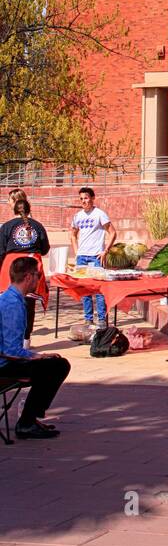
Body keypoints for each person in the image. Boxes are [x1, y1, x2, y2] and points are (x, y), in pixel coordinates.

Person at [0, 257, 71, 440]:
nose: (39, 279)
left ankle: (30, 418)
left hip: (7, 360)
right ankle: (27, 421)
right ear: (29, 277)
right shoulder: (13, 304)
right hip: (4, 365)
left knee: (54, 364)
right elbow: (11, 351)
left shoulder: (11, 298)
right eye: (38, 275)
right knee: (57, 366)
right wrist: (37, 356)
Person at [0, 192, 51, 339]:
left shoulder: (7, 227)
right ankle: (25, 341)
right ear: (29, 209)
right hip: (32, 268)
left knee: (9, 304)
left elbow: (1, 251)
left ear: (15, 209)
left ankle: (10, 340)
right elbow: (45, 249)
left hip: (11, 269)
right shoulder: (38, 226)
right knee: (29, 306)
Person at [70, 187, 116, 329]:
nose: (84, 201)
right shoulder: (78, 216)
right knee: (85, 290)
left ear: (93, 198)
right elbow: (73, 234)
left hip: (96, 256)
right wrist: (77, 251)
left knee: (99, 289)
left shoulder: (100, 214)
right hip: (82, 257)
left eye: (86, 198)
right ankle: (88, 319)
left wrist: (105, 251)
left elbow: (112, 233)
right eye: (81, 199)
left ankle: (102, 319)